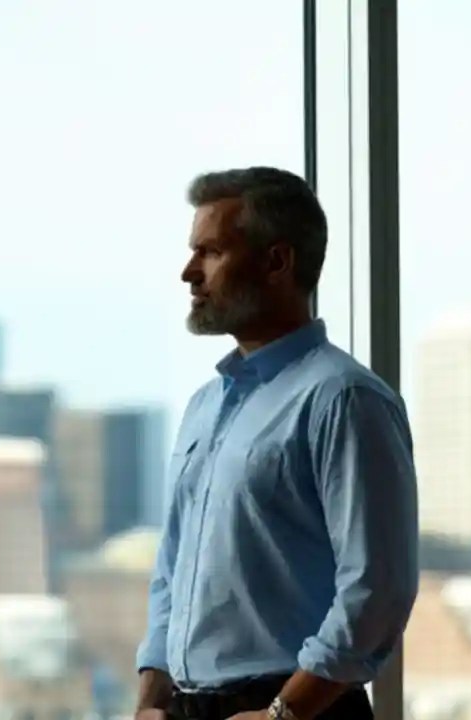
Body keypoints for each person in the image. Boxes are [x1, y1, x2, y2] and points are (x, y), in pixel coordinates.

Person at [135, 167, 419, 720]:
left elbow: (377, 588)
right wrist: (151, 695)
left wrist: (285, 714)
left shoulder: (345, 398)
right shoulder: (205, 405)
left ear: (276, 262)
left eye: (211, 252)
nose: (188, 273)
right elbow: (172, 569)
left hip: (301, 711)